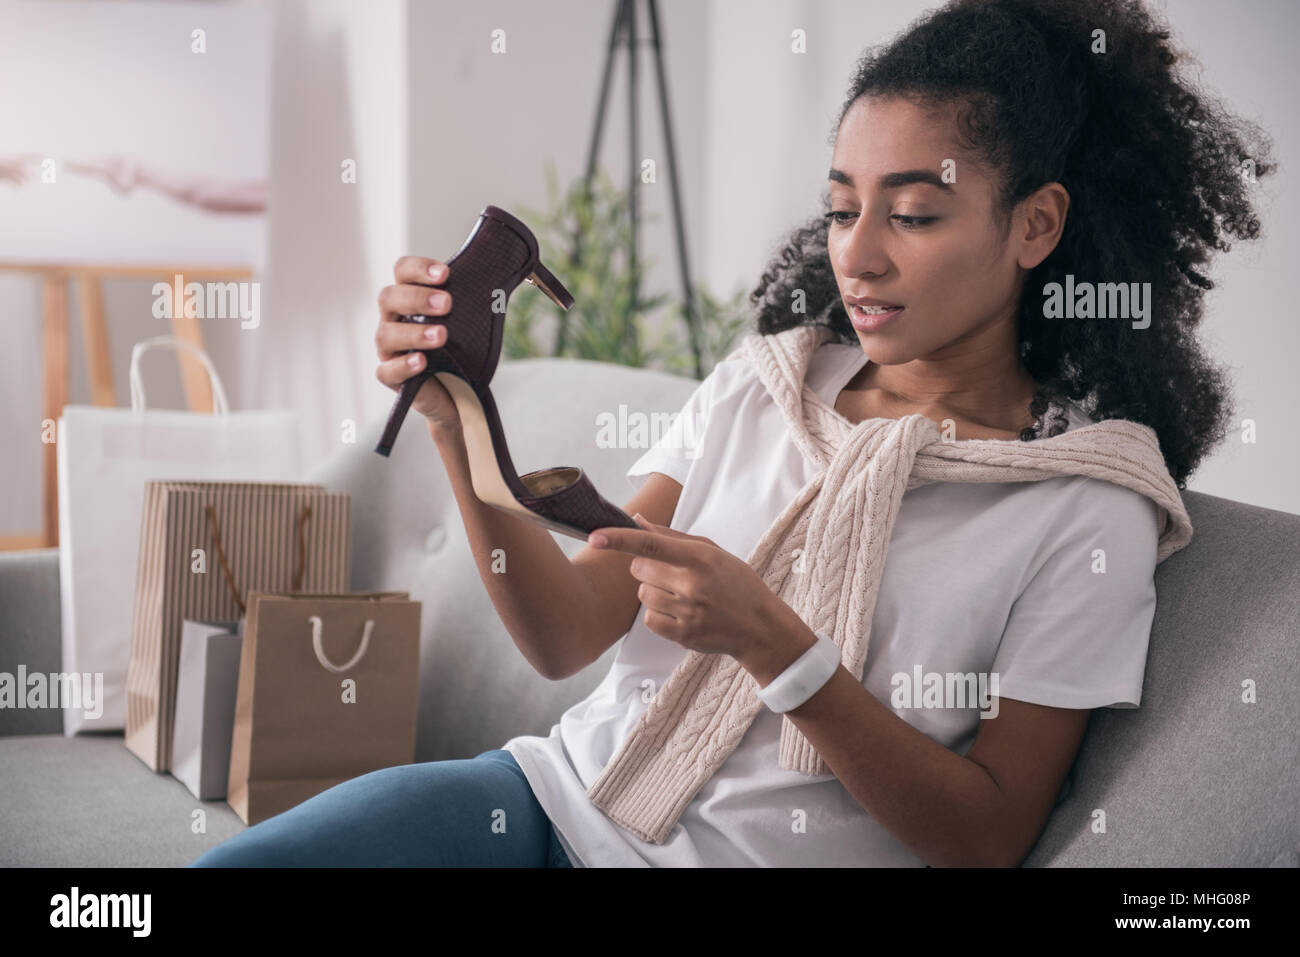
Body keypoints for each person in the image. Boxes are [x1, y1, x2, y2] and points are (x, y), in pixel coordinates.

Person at [192, 0, 1269, 867]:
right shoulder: (763, 388)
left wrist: (777, 645)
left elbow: (986, 836)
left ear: (1034, 224)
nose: (859, 255)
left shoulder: (1085, 506)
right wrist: (457, 422)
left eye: (914, 214)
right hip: (543, 803)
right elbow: (569, 632)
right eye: (843, 207)